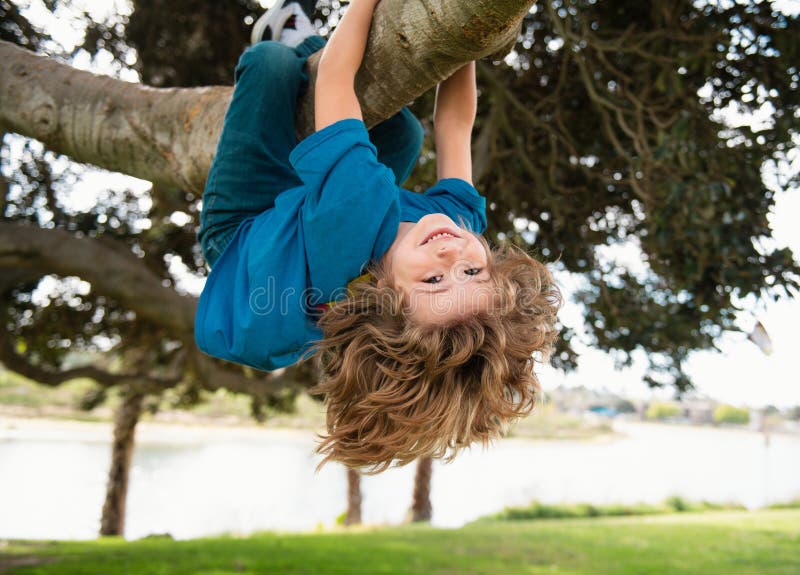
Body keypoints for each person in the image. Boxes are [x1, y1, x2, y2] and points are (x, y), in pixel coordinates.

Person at [195, 0, 561, 473]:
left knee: (272, 68)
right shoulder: (457, 225)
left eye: (433, 282)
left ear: (378, 295)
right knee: (404, 132)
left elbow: (335, 77)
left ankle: (288, 31)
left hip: (244, 232)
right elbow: (454, 126)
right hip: (309, 226)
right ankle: (322, 162)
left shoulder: (354, 212)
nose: (452, 253)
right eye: (472, 272)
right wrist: (468, 34)